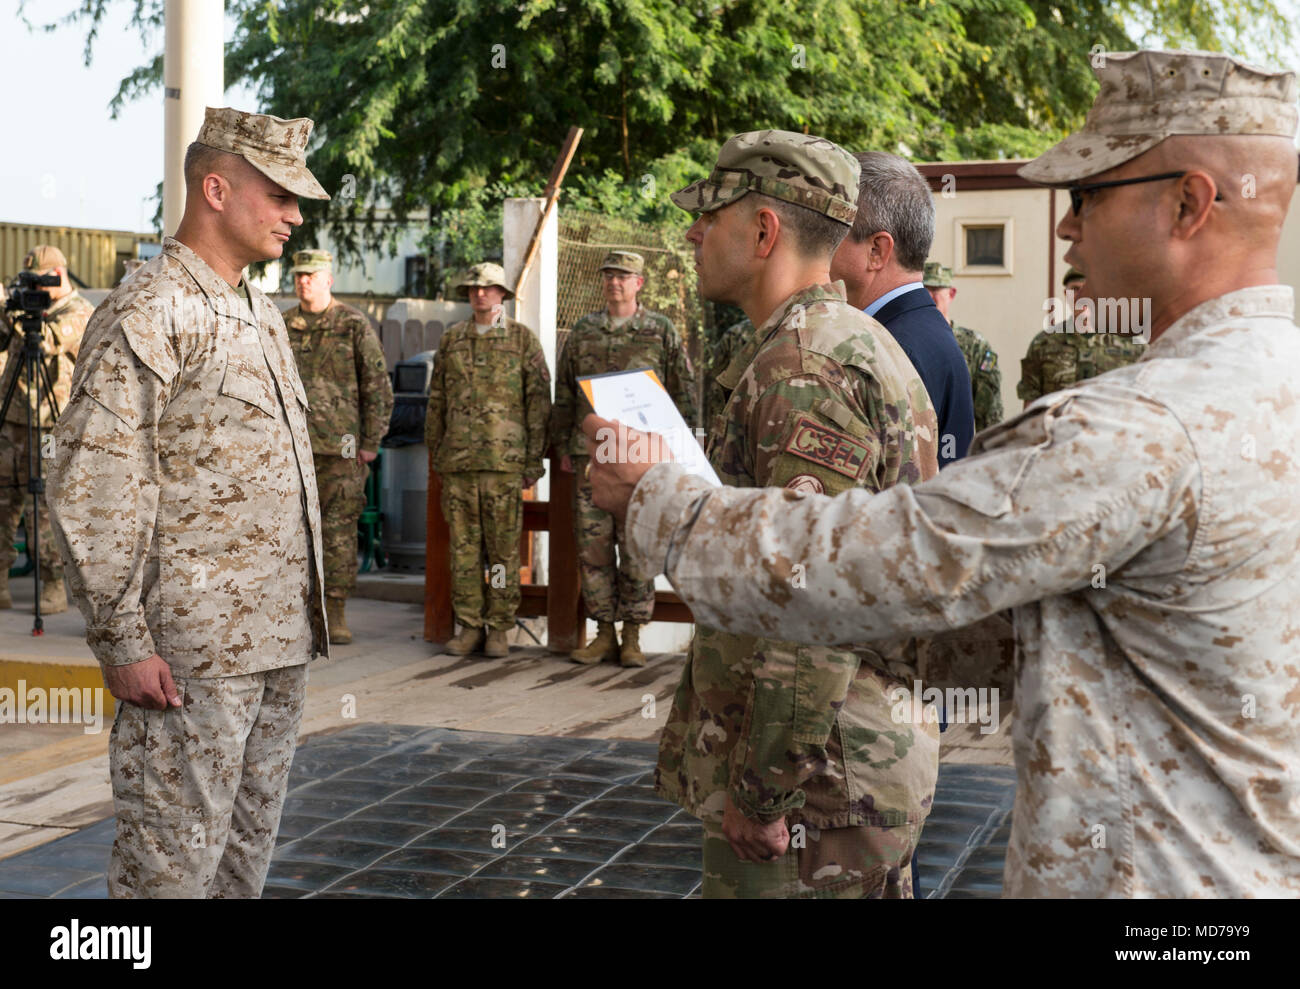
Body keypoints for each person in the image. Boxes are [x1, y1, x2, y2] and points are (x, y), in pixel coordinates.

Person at [585, 49, 1300, 898]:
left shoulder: (1147, 427)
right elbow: (1009, 635)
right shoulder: (1272, 379)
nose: (1067, 228)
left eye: (1086, 195)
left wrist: (661, 499)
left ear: (1190, 203)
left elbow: (896, 560)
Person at [46, 107, 331, 898]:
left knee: (239, 875)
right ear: (215, 189)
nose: (294, 215)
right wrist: (123, 637)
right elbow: (95, 483)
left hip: (274, 646)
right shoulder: (151, 310)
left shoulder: (258, 313)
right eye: (278, 195)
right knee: (167, 882)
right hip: (189, 661)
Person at [649, 128, 941, 898]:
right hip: (847, 766)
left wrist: (763, 789)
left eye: (709, 214)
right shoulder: (848, 343)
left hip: (817, 791)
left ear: (764, 231)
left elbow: (812, 602)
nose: (692, 232)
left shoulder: (804, 367)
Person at [550, 250, 696, 666]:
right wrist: (562, 445)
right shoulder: (583, 331)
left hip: (640, 457)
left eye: (624, 276)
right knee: (592, 546)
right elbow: (564, 393)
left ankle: (633, 634)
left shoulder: (660, 331)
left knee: (635, 543)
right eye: (609, 275)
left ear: (639, 283)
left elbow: (683, 392)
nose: (615, 282)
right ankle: (604, 633)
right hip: (589, 457)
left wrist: (681, 450)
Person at [426, 262, 551, 658]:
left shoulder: (521, 340)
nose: (480, 294)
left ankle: (498, 627)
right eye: (474, 289)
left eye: (489, 288)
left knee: (502, 551)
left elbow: (538, 403)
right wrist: (437, 451)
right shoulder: (453, 340)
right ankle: (469, 626)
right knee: (463, 550)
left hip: (504, 463)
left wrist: (533, 461)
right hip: (459, 463)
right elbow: (438, 399)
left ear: (502, 294)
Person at [829, 152, 974, 466]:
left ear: (876, 251)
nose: (821, 246)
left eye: (834, 233)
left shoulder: (889, 346)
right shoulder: (919, 328)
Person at [284, 248, 394, 645]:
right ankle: (295, 614)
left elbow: (378, 386)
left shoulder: (352, 324)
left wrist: (370, 442)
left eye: (311, 275)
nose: (303, 281)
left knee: (339, 534)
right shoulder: (284, 325)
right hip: (292, 451)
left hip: (343, 453)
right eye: (298, 274)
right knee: (290, 534)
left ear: (328, 279)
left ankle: (334, 610)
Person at [0, 245, 93, 614]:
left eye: (38, 281)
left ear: (56, 275)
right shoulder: (23, 313)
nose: (33, 291)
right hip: (12, 420)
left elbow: (50, 340)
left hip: (49, 427)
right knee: (4, 500)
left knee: (43, 507)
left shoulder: (79, 312)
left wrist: (16, 315)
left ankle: (53, 583)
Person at [1017, 267, 1147, 408]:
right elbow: (1030, 403)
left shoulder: (1132, 342)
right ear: (1066, 294)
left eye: (1089, 289)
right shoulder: (1043, 343)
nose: (1082, 296)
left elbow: (1145, 400)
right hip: (1058, 428)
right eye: (1075, 289)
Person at [923, 262, 1003, 432]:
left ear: (951, 293)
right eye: (924, 290)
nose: (929, 296)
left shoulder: (975, 345)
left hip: (955, 444)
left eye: (935, 290)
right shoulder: (905, 340)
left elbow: (989, 409)